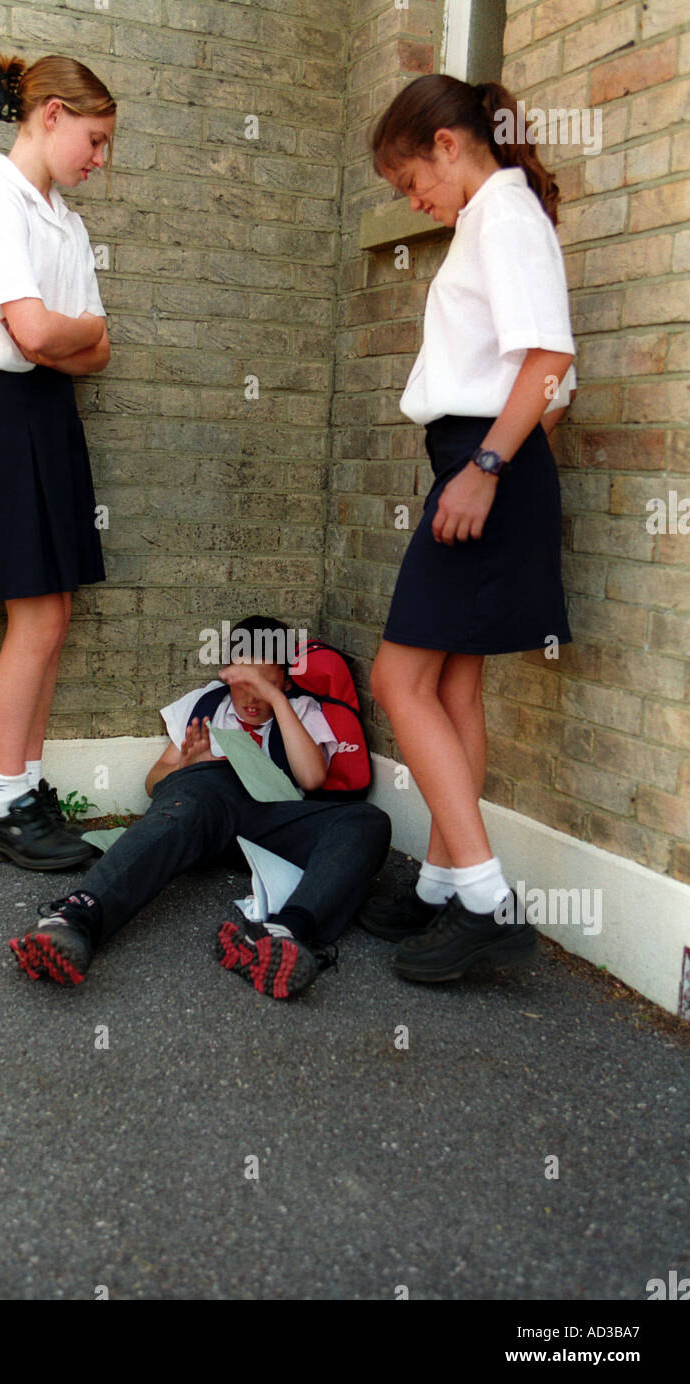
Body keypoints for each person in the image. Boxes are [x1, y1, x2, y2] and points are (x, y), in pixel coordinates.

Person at [364, 75, 576, 983]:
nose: (414, 201)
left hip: (483, 470)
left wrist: (487, 469)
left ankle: (488, 904)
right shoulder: (490, 217)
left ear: (448, 144)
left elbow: (551, 358)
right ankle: (446, 886)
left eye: (412, 181)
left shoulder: (503, 214)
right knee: (450, 687)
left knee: (396, 679)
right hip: (480, 463)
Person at [9, 617, 393, 999]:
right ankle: (77, 916)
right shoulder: (205, 704)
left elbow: (311, 778)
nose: (254, 698)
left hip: (270, 823)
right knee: (195, 792)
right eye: (245, 683)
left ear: (287, 681)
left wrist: (279, 700)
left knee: (366, 821)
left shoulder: (302, 709)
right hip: (204, 812)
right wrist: (187, 769)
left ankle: (282, 934)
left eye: (268, 685)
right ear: (228, 676)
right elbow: (153, 783)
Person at [0, 52, 116, 871]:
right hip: (4, 416)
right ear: (50, 114)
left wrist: (62, 332)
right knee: (35, 616)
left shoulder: (66, 222)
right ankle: (1, 803)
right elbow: (42, 335)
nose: (100, 158)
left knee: (58, 611)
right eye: (95, 138)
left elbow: (98, 350)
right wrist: (64, 330)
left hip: (49, 416)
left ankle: (29, 787)